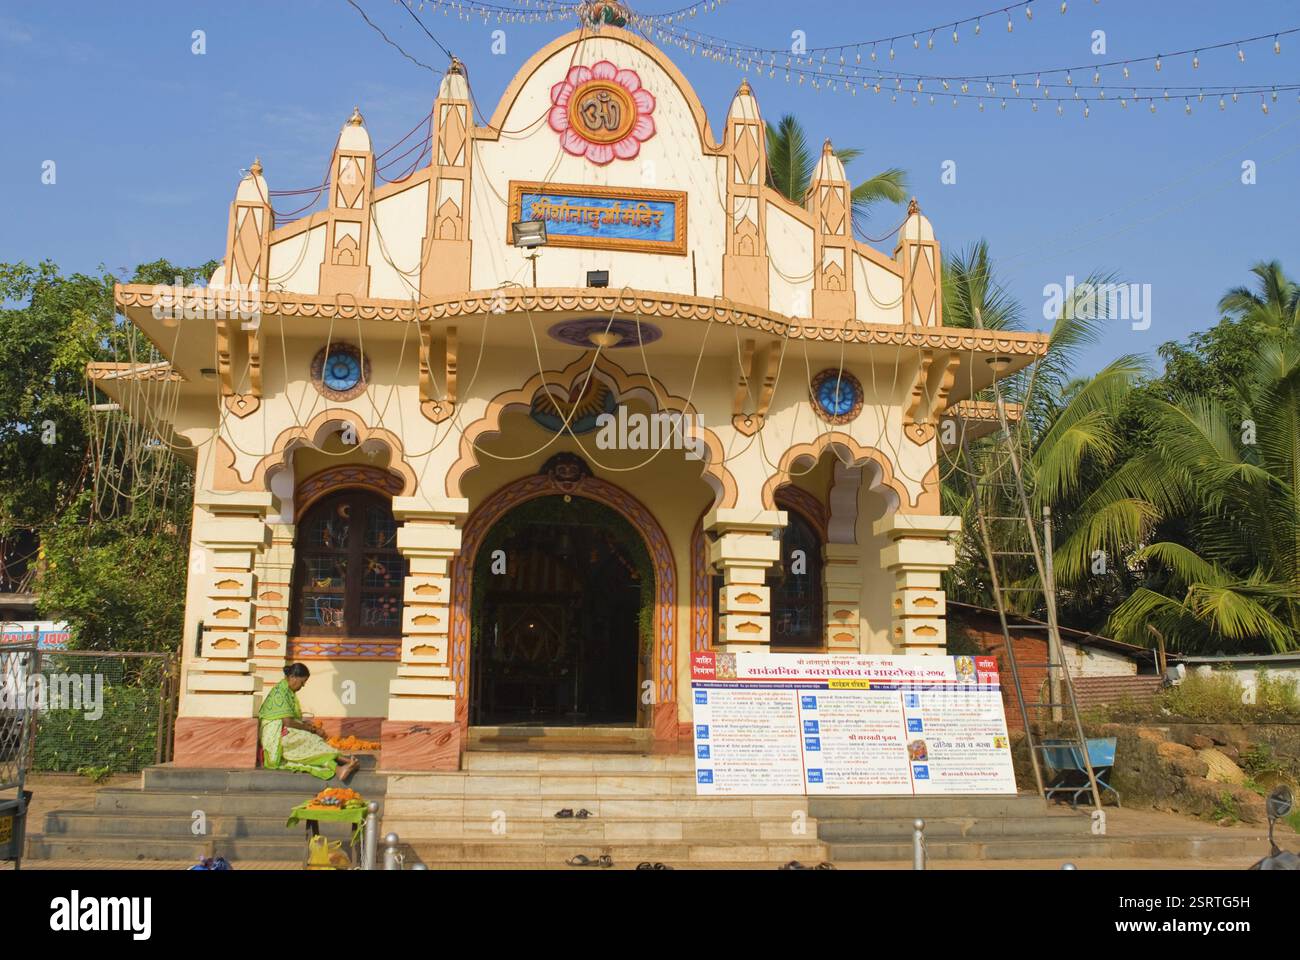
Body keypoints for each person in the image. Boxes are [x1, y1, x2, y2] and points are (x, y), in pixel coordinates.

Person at [258, 663, 359, 781]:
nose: (303, 685)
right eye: (302, 682)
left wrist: (309, 727)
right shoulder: (280, 693)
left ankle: (344, 762)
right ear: (293, 677)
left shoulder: (287, 692)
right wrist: (311, 729)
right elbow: (288, 722)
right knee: (308, 739)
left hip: (283, 731)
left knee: (309, 739)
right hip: (275, 737)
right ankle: (340, 766)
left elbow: (291, 719)